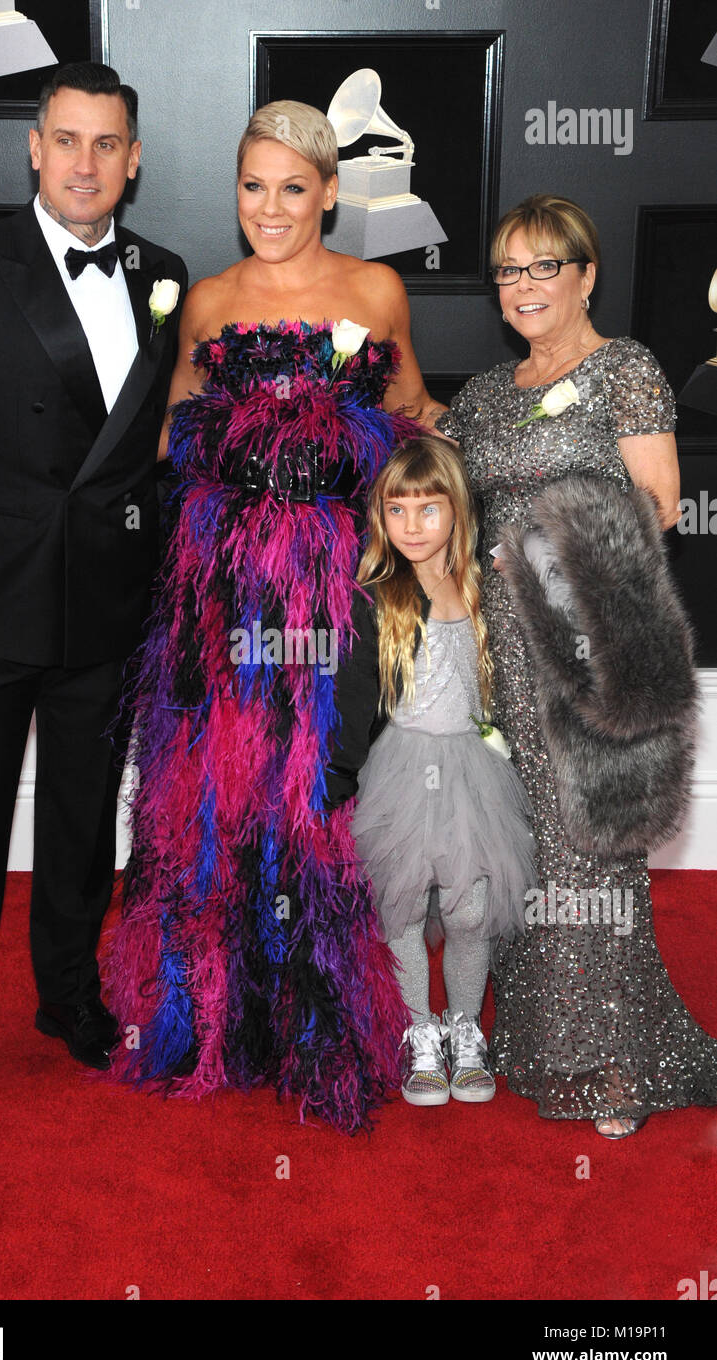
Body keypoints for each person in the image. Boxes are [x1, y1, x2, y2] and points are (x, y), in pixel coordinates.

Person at [102, 100, 446, 1134]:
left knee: (313, 794)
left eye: (293, 188)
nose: (270, 207)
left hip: (331, 584)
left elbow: (417, 415)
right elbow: (169, 432)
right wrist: (247, 443)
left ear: (331, 191)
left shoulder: (375, 288)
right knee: (213, 792)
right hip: (220, 591)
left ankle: (313, 1024)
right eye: (253, 187)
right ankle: (210, 1020)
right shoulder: (207, 300)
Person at [0, 62, 187, 1113]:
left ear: (134, 158)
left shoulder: (165, 272)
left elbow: (145, 451)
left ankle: (67, 996)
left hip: (107, 601)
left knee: (79, 816)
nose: (86, 163)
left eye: (108, 144)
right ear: (33, 145)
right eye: (68, 140)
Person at [435, 193, 717, 1136]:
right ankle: (535, 1035)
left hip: (591, 641)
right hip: (496, 655)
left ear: (586, 274)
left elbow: (661, 501)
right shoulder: (481, 395)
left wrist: (552, 548)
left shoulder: (625, 371)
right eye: (508, 271)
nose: (522, 286)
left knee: (593, 842)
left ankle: (613, 1056)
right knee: (520, 841)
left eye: (542, 266)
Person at [322, 439, 535, 1106]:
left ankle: (464, 1027)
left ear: (458, 511)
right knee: (402, 905)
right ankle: (419, 1032)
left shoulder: (486, 589)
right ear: (379, 517)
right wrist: (332, 782)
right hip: (399, 770)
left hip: (473, 771)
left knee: (472, 910)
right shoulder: (373, 596)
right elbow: (351, 700)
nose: (411, 526)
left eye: (428, 509)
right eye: (396, 510)